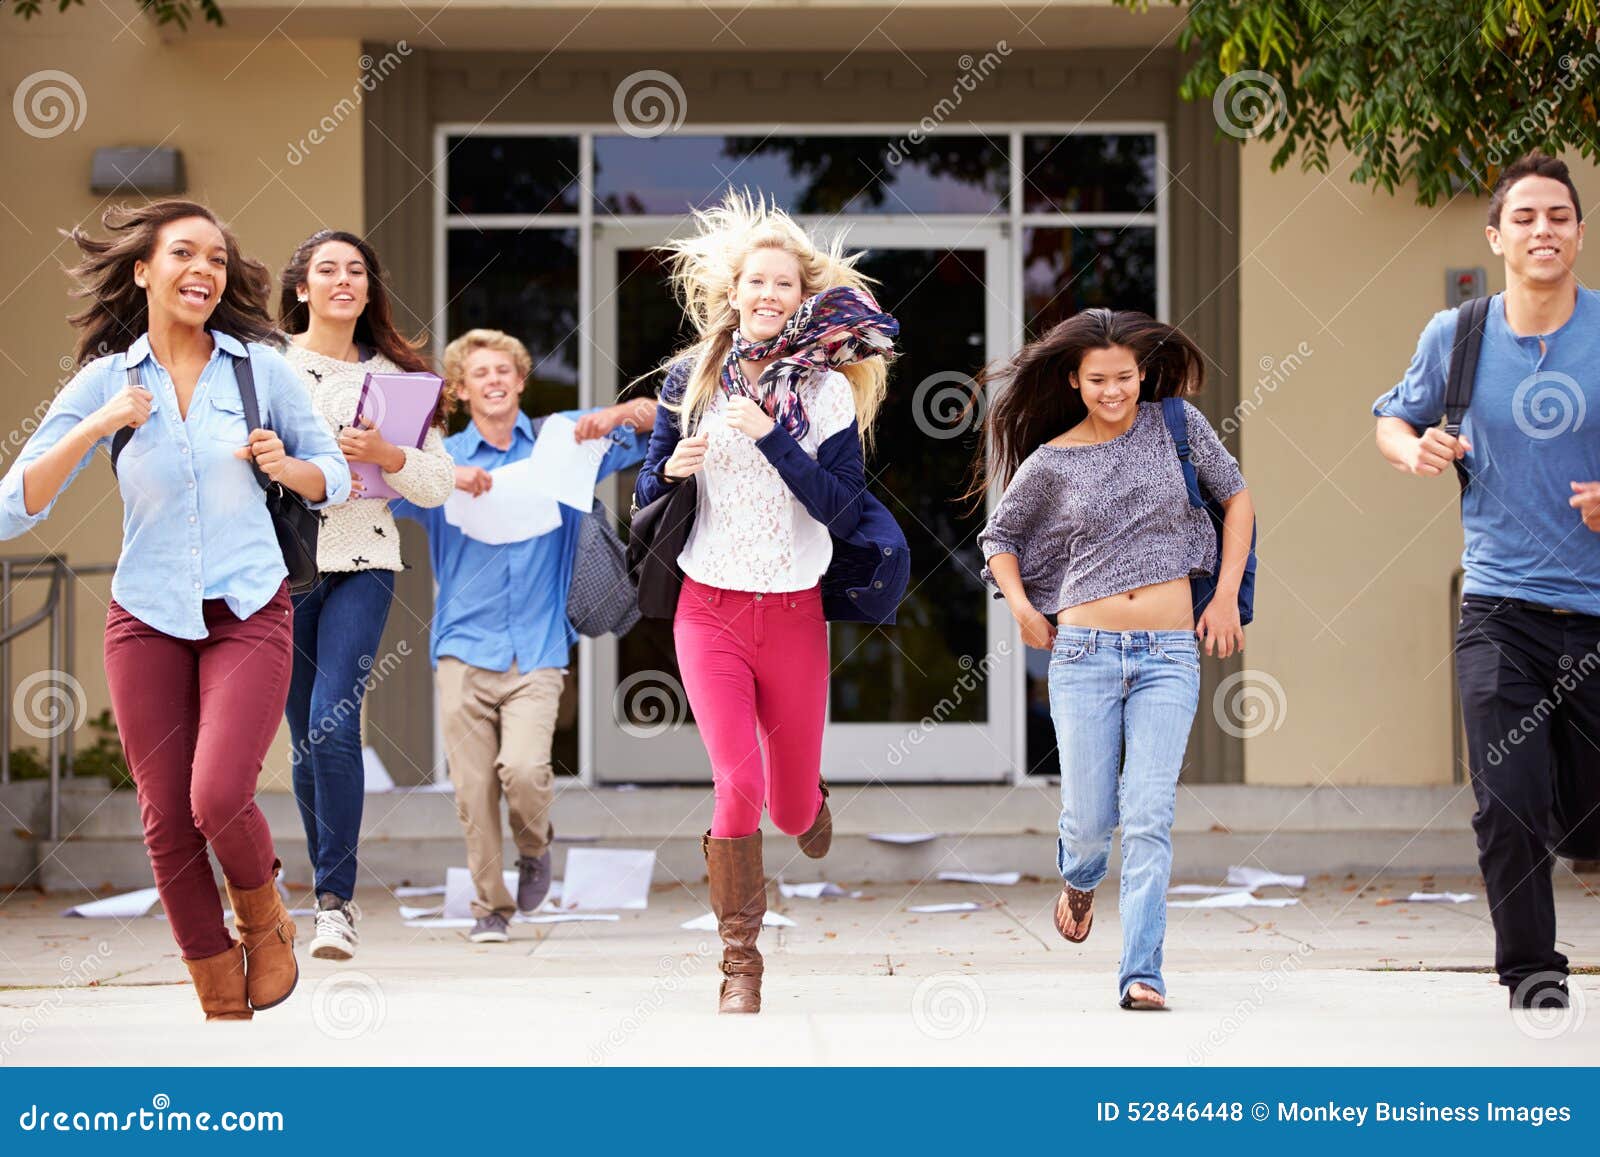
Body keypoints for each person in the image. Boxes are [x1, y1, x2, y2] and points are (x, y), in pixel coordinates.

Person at [0, 200, 350, 1021]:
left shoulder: (262, 369)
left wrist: (286, 463)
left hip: (247, 605)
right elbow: (14, 505)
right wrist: (98, 424)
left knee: (217, 794)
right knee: (164, 816)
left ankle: (266, 916)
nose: (204, 270)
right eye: (185, 254)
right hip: (146, 614)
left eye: (217, 260)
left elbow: (334, 477)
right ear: (143, 271)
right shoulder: (107, 381)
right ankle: (217, 991)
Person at [634, 191, 907, 1014]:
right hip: (708, 607)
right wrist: (671, 468)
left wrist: (770, 435)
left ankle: (811, 795)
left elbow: (840, 507)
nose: (768, 295)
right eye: (757, 281)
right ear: (734, 290)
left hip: (792, 611)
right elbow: (647, 491)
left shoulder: (827, 391)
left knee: (788, 805)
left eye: (784, 285)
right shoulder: (690, 379)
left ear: (803, 297)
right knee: (735, 783)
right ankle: (739, 962)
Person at [976, 308, 1253, 1011]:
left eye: (1124, 377)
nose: (1113, 391)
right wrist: (1021, 607)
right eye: (1098, 379)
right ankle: (1080, 874)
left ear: (1141, 374)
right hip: (1084, 654)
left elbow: (1239, 497)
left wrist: (1222, 597)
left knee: (1151, 812)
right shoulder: (1053, 459)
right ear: (1073, 379)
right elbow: (999, 537)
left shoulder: (1178, 427)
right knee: (1091, 817)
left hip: (1168, 652)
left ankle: (1142, 972)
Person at [1373, 151, 1595, 1011]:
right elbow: (1392, 416)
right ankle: (1533, 977)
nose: (1544, 230)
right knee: (1508, 800)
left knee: (1585, 817)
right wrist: (1415, 448)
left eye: (1560, 217)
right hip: (1500, 609)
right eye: (1527, 217)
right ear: (1497, 235)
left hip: (1598, 611)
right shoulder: (1457, 334)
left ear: (1579, 233)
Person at [394, 329, 656, 944]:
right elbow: (369, 480)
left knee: (525, 770)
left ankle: (535, 849)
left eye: (504, 370)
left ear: (519, 381)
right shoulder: (441, 465)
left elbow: (654, 426)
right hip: (462, 649)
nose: (493, 380)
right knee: (472, 787)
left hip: (538, 648)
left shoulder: (564, 441)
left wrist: (619, 412)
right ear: (459, 390)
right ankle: (491, 906)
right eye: (479, 373)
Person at [277, 229, 455, 962]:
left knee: (330, 722)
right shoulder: (266, 368)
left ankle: (334, 902)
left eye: (356, 270)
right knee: (301, 737)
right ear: (301, 288)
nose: (343, 280)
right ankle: (325, 884)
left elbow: (437, 482)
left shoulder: (402, 379)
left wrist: (387, 455)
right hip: (280, 569)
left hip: (363, 559)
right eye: (327, 269)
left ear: (370, 289)